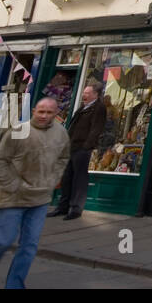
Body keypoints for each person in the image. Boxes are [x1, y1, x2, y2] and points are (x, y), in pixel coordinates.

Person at [0, 97, 69, 289]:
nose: (44, 116)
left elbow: (63, 158)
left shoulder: (61, 133)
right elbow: (0, 160)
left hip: (40, 198)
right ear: (33, 111)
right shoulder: (19, 131)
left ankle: (14, 285)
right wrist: (12, 185)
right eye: (40, 111)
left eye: (49, 112)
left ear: (56, 114)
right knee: (2, 242)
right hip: (14, 197)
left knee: (29, 246)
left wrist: (53, 179)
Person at [49, 82, 106, 220]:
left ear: (95, 95)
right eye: (84, 92)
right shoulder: (82, 108)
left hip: (82, 148)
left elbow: (96, 129)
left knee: (79, 179)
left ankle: (76, 209)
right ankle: (63, 206)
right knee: (67, 178)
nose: (84, 95)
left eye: (87, 93)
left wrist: (87, 146)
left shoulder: (98, 108)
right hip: (71, 147)